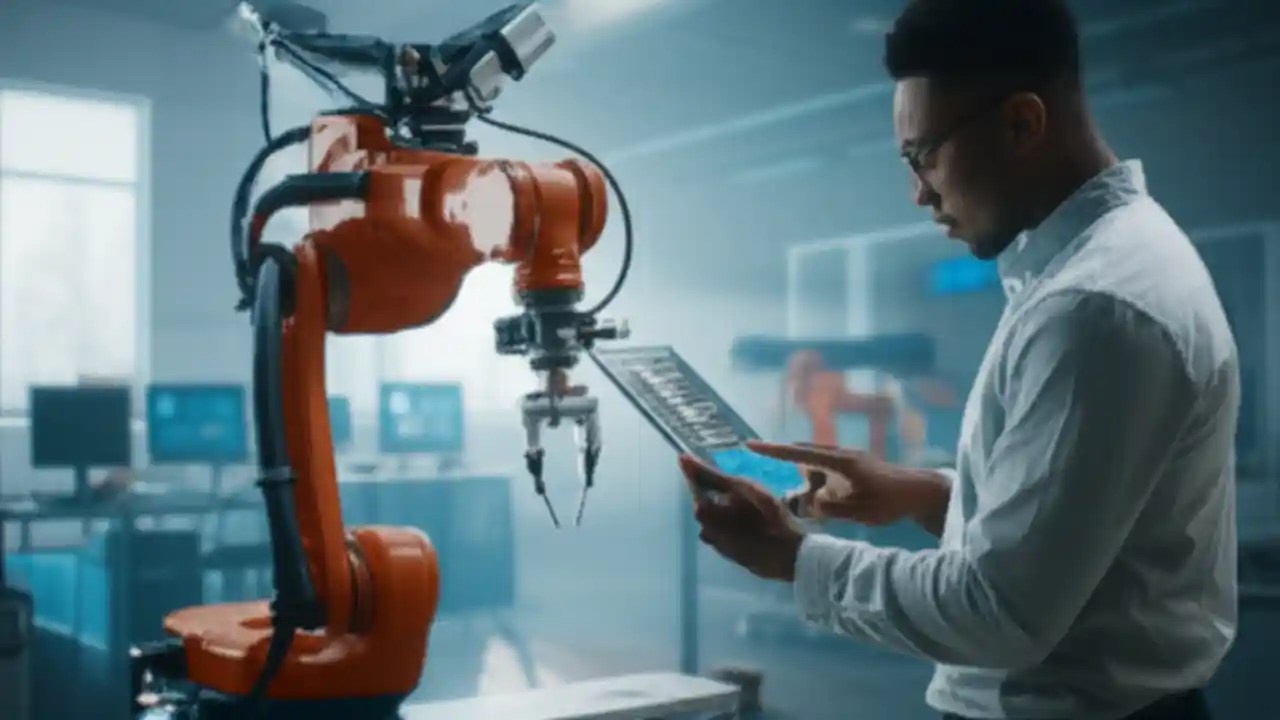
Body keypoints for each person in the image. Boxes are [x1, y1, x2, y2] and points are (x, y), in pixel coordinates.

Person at [678, 1, 1239, 718]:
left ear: (1023, 124)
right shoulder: (1110, 264)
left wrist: (793, 557)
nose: (918, 193)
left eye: (924, 155)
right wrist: (924, 494)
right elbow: (1078, 536)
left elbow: (1001, 611)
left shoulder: (1094, 307)